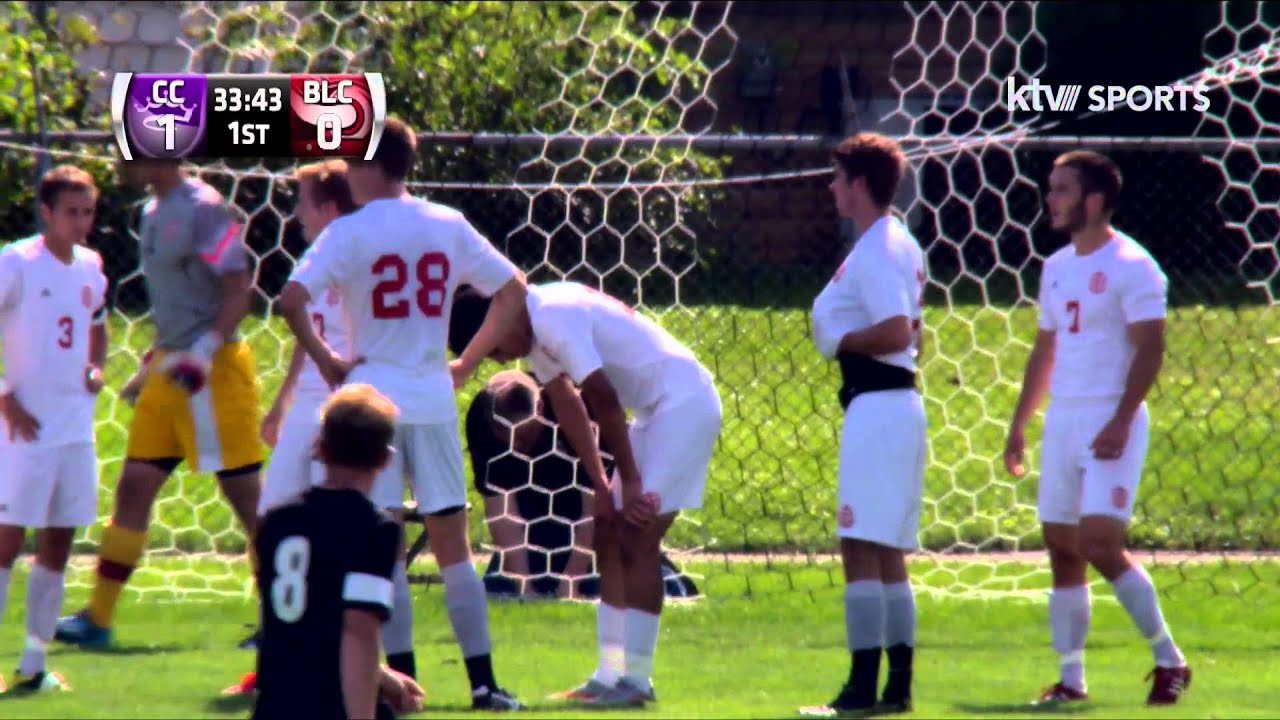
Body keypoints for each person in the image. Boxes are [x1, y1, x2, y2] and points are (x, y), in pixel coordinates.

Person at [277, 116, 526, 710]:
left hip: (373, 404)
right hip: (432, 399)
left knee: (382, 545)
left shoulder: (349, 231)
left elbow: (291, 299)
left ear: (370, 166)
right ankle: (484, 684)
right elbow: (513, 288)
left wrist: (329, 361)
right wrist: (466, 361)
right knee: (455, 549)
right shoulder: (446, 223)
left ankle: (400, 683)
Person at [450, 280, 722, 708]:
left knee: (638, 536)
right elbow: (568, 403)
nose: (501, 360)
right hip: (654, 412)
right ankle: (608, 675)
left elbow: (605, 400)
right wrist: (600, 484)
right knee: (607, 533)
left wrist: (629, 480)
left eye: (493, 349)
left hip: (684, 406)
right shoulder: (536, 329)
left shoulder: (552, 317)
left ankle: (637, 680)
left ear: (497, 320)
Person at [1004, 150, 1191, 706]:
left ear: (1095, 199)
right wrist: (1019, 425)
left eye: (1062, 189)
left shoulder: (1134, 265)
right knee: (1062, 546)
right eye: (1051, 187)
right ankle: (1071, 680)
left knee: (1100, 543)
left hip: (1111, 417)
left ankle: (1170, 660)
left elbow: (1151, 349)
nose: (1051, 198)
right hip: (1064, 418)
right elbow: (1045, 349)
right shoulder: (1057, 266)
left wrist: (1122, 419)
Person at [57, 158, 263, 648]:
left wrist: (203, 353)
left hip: (212, 375)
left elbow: (241, 292)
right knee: (133, 487)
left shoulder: (205, 209)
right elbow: (176, 305)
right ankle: (98, 618)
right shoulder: (152, 211)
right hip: (170, 370)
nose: (122, 158)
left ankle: (283, 621)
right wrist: (151, 365)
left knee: (248, 504)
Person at [797, 132, 928, 717]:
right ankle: (896, 689)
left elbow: (898, 332)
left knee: (859, 544)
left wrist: (840, 340)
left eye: (837, 178)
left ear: (859, 185)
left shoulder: (878, 248)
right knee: (887, 551)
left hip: (878, 407)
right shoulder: (898, 242)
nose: (831, 188)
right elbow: (917, 335)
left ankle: (860, 688)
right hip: (893, 406)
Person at [252, 383, 425, 720]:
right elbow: (358, 630)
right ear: (386, 459)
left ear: (320, 447)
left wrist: (382, 676)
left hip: (276, 701)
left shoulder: (276, 522)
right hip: (330, 701)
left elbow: (310, 620)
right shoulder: (374, 529)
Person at [0, 166, 109, 693]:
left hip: (75, 428)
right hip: (24, 429)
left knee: (59, 541)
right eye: (71, 212)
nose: (81, 222)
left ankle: (33, 662)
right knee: (7, 541)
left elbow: (98, 324)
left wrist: (96, 368)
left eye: (88, 212)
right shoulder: (17, 262)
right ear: (46, 212)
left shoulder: (91, 265)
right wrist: (6, 398)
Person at [462, 368, 597, 599]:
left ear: (541, 408)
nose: (515, 446)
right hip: (528, 535)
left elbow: (595, 508)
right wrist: (525, 587)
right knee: (501, 591)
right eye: (505, 437)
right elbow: (501, 510)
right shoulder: (481, 418)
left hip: (588, 536)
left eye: (524, 436)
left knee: (610, 591)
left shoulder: (576, 409)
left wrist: (570, 582)